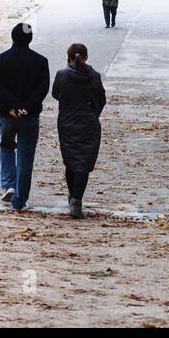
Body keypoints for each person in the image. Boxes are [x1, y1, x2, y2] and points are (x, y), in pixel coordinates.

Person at [0, 22, 50, 210]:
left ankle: (9, 184)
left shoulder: (0, 60)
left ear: (12, 37)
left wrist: (13, 106)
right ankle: (20, 199)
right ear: (30, 39)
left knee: (6, 146)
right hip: (29, 115)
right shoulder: (40, 61)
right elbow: (42, 89)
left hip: (6, 113)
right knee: (25, 155)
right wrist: (26, 108)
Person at [51, 43, 107, 218]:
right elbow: (102, 99)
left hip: (67, 124)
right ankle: (76, 200)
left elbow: (55, 94)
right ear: (86, 57)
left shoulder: (62, 75)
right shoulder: (95, 76)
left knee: (70, 161)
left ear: (68, 57)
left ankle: (73, 198)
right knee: (83, 162)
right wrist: (93, 112)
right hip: (89, 124)